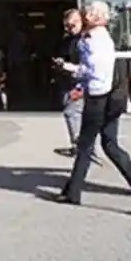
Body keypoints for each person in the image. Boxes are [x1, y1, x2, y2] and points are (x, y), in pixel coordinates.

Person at [51, 1, 131, 214]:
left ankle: (73, 193)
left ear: (98, 17)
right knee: (109, 145)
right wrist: (70, 68)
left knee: (85, 146)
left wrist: (85, 88)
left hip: (100, 98)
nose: (85, 16)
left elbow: (97, 72)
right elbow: (91, 68)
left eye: (89, 13)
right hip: (109, 97)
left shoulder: (95, 40)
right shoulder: (99, 38)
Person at [53, 9, 86, 158]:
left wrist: (80, 86)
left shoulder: (86, 41)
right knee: (73, 114)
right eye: (66, 26)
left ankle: (80, 146)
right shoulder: (67, 40)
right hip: (67, 81)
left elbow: (87, 66)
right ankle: (79, 145)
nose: (69, 29)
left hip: (79, 82)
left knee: (72, 113)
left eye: (72, 25)